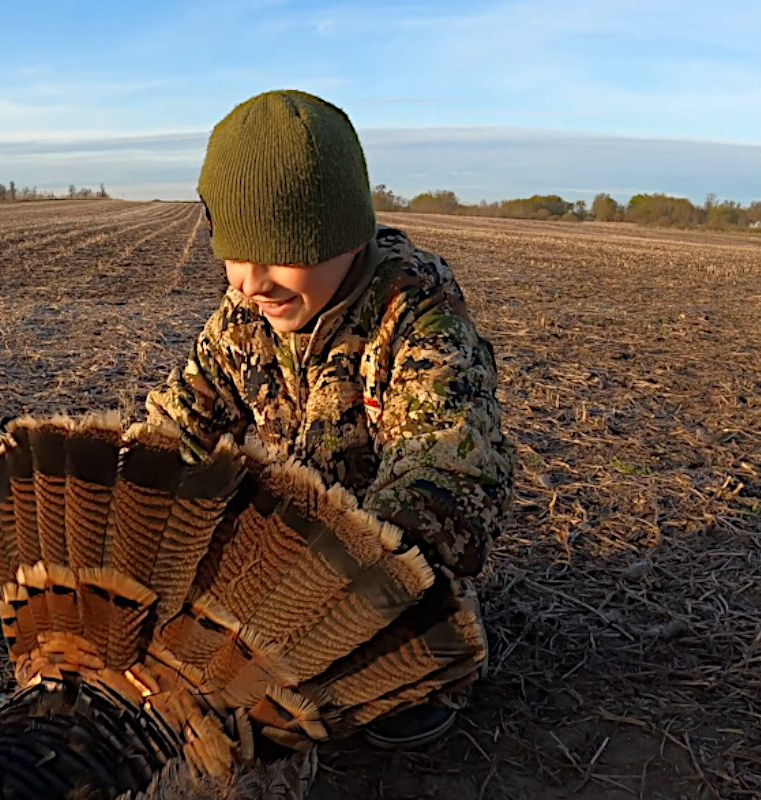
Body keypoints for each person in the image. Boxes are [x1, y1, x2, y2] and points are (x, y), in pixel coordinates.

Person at [145, 89, 515, 749]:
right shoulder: (241, 318)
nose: (250, 281)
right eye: (234, 252)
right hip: (281, 558)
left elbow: (448, 479)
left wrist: (313, 603)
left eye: (283, 249)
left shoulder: (418, 318)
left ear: (344, 233)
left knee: (388, 694)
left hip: (378, 575)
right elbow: (175, 432)